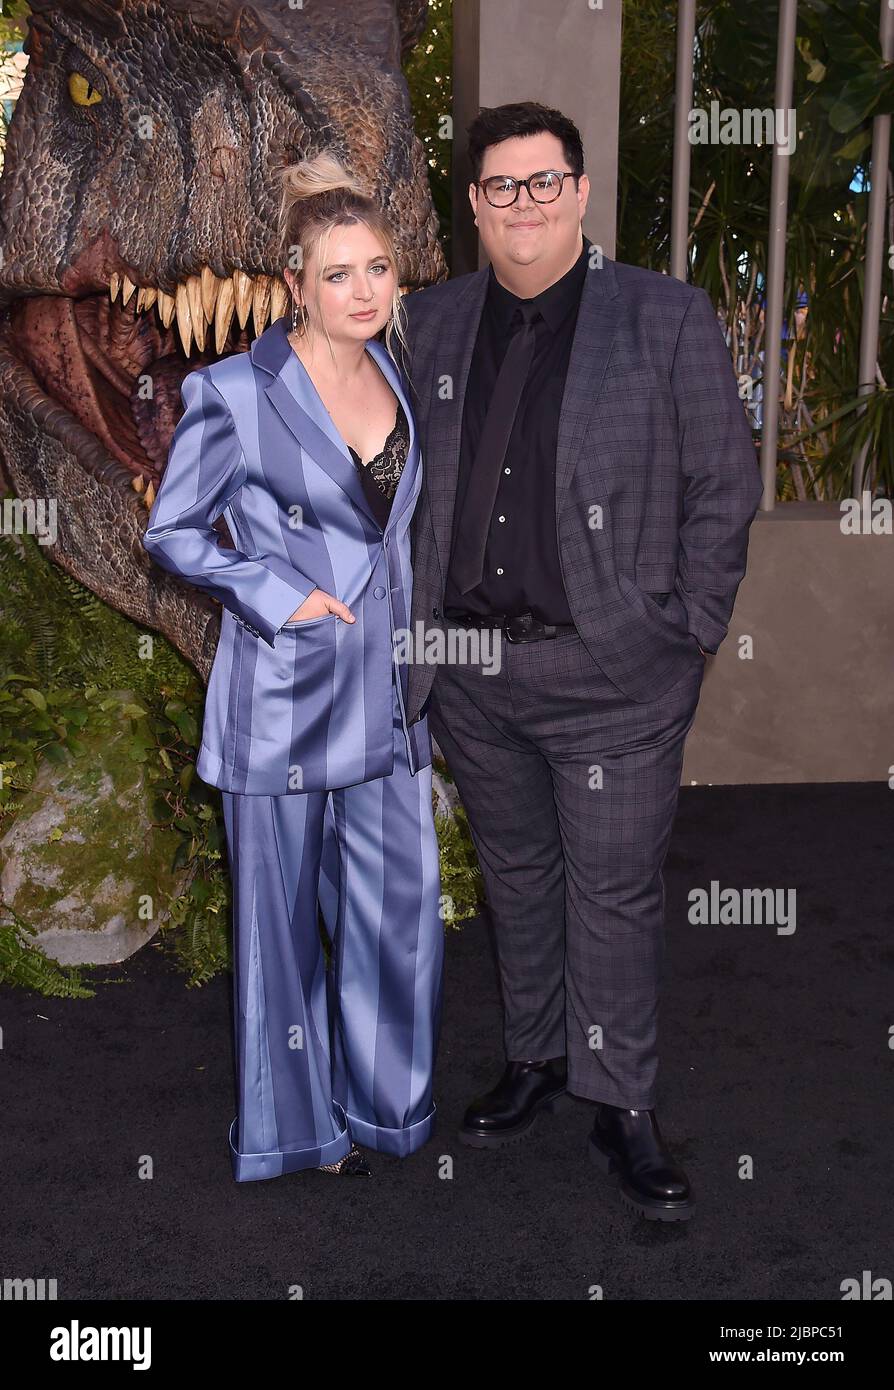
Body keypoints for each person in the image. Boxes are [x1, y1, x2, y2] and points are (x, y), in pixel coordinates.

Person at [399, 102, 763, 1221]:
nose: (525, 203)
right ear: (472, 204)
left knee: (610, 891)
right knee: (517, 876)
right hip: (469, 669)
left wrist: (688, 629)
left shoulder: (663, 315)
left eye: (544, 181)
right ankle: (538, 1057)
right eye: (501, 186)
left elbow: (724, 486)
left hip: (615, 674)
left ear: (582, 190)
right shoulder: (430, 319)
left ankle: (622, 1101)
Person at [142, 152, 444, 1182]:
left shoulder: (395, 371)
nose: (363, 291)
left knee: (402, 910)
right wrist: (277, 597)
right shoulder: (233, 390)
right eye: (339, 273)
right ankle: (297, 1132)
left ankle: (386, 1105)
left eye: (378, 269)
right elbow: (174, 531)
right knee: (277, 935)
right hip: (283, 693)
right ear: (295, 284)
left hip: (391, 701)